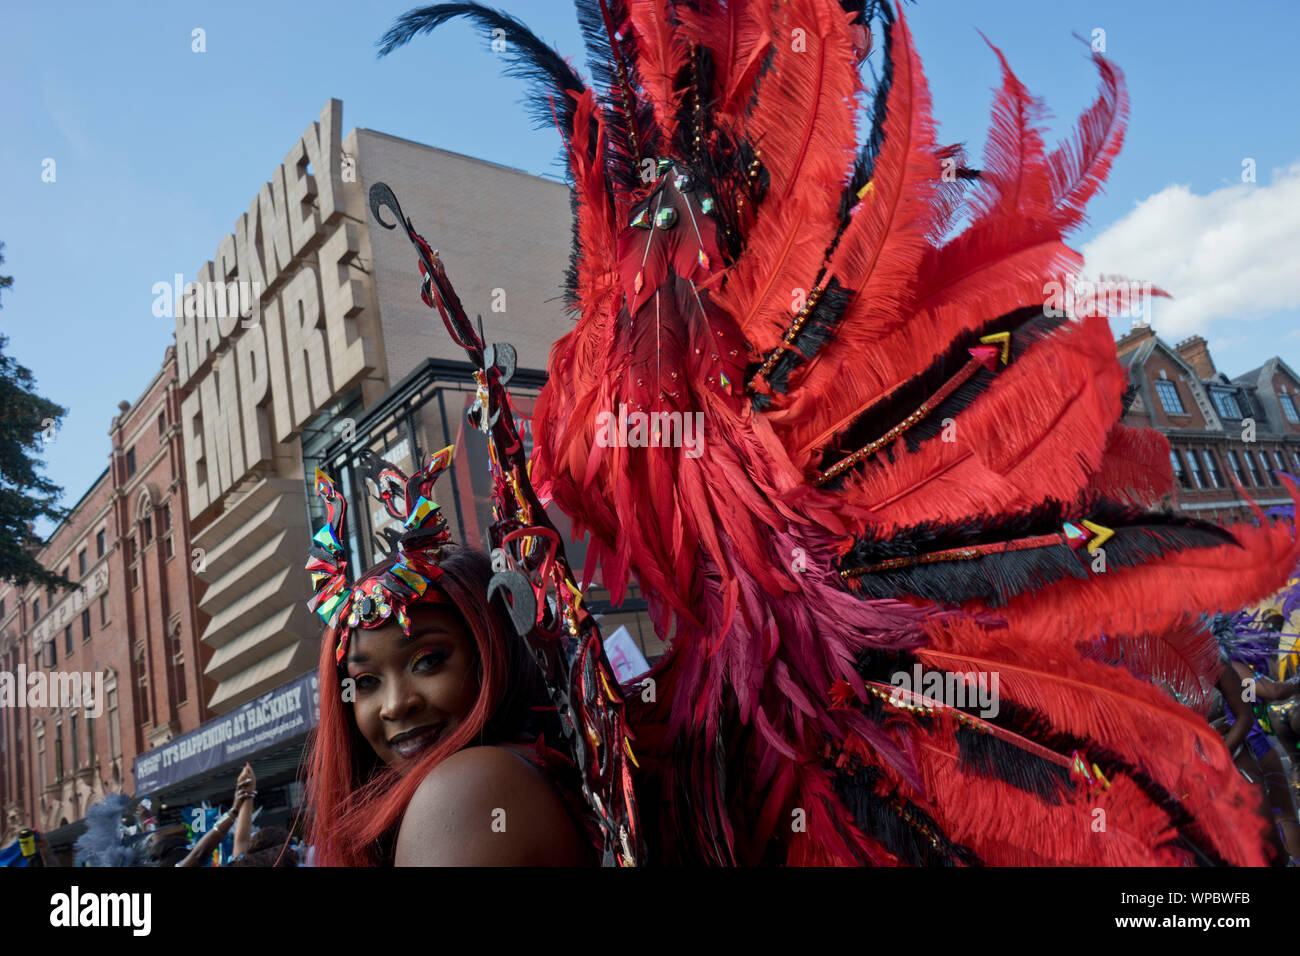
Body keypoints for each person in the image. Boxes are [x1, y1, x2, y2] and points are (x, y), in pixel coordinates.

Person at [302, 456, 595, 866]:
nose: (395, 705)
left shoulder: (467, 790)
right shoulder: (529, 773)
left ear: (492, 649)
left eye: (427, 661)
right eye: (365, 681)